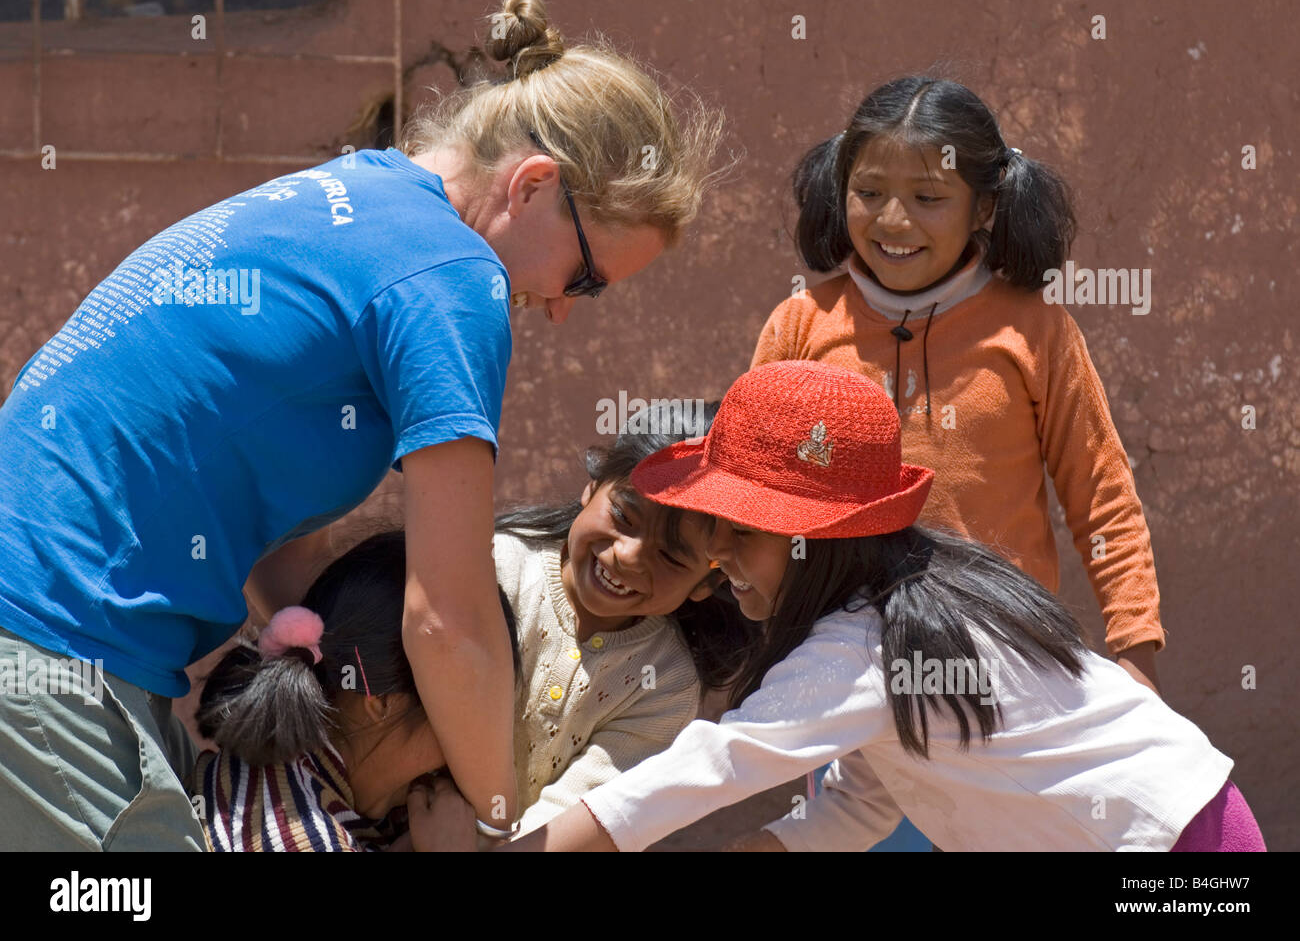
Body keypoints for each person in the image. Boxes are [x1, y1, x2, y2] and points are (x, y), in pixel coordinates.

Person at [0, 0, 722, 850]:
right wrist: (489, 823)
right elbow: (445, 619)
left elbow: (277, 536)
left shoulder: (361, 198)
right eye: (587, 277)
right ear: (534, 187)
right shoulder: (453, 275)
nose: (564, 311)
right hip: (54, 639)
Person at [491, 362, 1264, 852]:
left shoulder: (861, 648)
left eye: (741, 534)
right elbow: (862, 803)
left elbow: (707, 768)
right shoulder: (914, 601)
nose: (721, 562)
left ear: (819, 541)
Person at [752, 76, 1163, 694]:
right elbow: (750, 488)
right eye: (869, 191)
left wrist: (1136, 653)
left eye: (927, 196)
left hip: (1005, 649)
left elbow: (1101, 494)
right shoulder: (801, 325)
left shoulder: (1034, 330)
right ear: (840, 194)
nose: (894, 220)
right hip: (843, 657)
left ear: (987, 207)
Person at [494, 401, 752, 834]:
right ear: (592, 487)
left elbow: (573, 818)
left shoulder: (667, 683)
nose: (628, 556)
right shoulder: (498, 571)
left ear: (705, 586)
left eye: (670, 556)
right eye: (623, 516)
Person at [190, 531, 520, 852]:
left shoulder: (311, 776)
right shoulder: (299, 835)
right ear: (384, 702)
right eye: (470, 720)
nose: (479, 750)